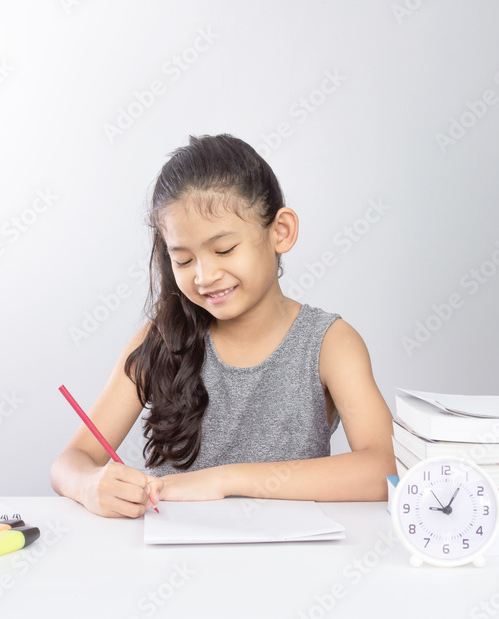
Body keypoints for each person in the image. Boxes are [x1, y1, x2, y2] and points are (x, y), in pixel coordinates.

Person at [50, 134, 396, 518]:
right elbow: (70, 462)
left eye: (224, 250)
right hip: (172, 565)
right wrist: (89, 485)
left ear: (280, 231)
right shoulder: (160, 339)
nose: (205, 276)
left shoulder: (328, 343)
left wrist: (224, 480)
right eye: (183, 261)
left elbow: (384, 469)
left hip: (289, 562)